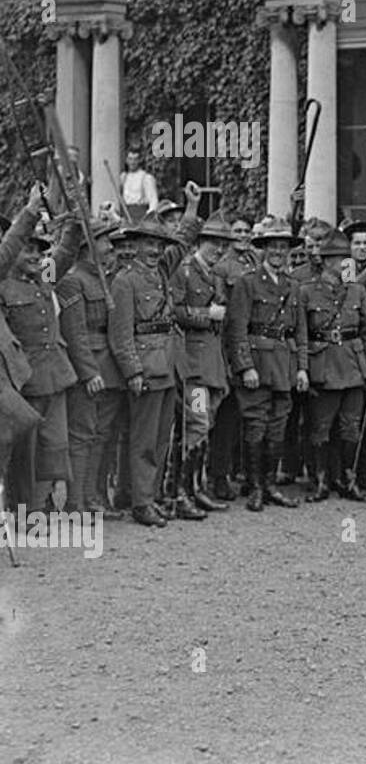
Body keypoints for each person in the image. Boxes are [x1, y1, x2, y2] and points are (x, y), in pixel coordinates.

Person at [110, 188, 203, 526]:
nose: (154, 250)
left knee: (162, 438)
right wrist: (133, 371)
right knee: (143, 440)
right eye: (148, 244)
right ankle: (141, 502)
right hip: (146, 368)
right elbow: (120, 334)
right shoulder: (124, 282)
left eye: (158, 245)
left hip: (168, 364)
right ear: (134, 245)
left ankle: (150, 496)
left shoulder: (161, 270)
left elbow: (183, 241)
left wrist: (192, 207)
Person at [1, 195, 81, 513]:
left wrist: (74, 224)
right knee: (25, 453)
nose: (36, 256)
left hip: (55, 374)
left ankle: (43, 503)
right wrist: (31, 212)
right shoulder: (3, 285)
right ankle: (24, 510)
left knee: (54, 447)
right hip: (25, 379)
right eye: (28, 249)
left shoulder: (43, 279)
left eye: (39, 250)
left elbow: (64, 254)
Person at [224, 216, 309, 512]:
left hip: (284, 364)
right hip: (257, 364)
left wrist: (301, 367)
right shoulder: (248, 283)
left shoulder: (293, 286)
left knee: (278, 428)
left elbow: (300, 332)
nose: (278, 252)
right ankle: (255, 487)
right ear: (263, 250)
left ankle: (271, 484)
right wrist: (245, 366)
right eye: (272, 246)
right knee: (255, 426)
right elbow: (237, 329)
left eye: (283, 247)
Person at [300, 230, 366, 502]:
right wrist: (303, 368)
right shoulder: (308, 292)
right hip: (322, 365)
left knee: (351, 427)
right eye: (339, 259)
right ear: (326, 261)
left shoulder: (357, 290)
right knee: (321, 427)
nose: (347, 263)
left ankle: (348, 478)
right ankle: (321, 480)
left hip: (353, 365)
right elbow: (301, 335)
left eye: (347, 258)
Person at [170, 214, 237, 513]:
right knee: (196, 425)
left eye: (224, 244)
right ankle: (182, 492)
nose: (219, 249)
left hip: (213, 367)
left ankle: (197, 487)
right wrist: (206, 315)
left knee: (205, 424)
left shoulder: (217, 275)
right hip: (194, 367)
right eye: (214, 243)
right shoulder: (184, 272)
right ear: (199, 242)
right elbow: (175, 311)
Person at [60, 214, 122, 517]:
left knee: (103, 435)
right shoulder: (73, 280)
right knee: (83, 435)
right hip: (91, 371)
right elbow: (74, 332)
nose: (110, 246)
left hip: (109, 368)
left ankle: (94, 498)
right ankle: (76, 503)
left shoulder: (103, 278)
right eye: (104, 240)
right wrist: (88, 372)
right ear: (87, 246)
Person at [119, 148, 159, 219]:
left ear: (140, 160)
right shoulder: (124, 177)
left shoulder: (146, 177)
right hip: (126, 215)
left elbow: (153, 201)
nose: (132, 162)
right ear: (127, 160)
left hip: (141, 216)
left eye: (135, 159)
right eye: (130, 159)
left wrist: (149, 217)